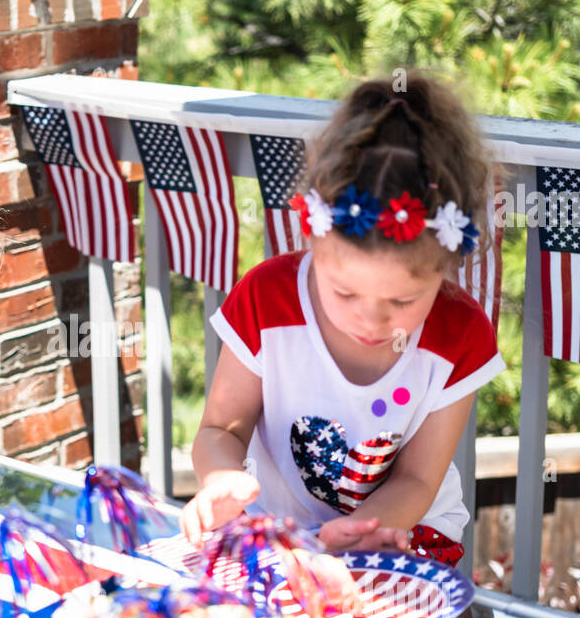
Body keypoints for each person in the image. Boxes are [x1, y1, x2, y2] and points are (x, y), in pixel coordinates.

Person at [181, 72, 504, 566]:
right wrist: (222, 477)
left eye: (402, 301)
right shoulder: (268, 299)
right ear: (313, 239)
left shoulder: (460, 333)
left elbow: (417, 478)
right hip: (279, 533)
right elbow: (220, 429)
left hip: (401, 532)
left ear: (446, 266)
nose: (371, 320)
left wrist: (357, 533)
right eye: (344, 292)